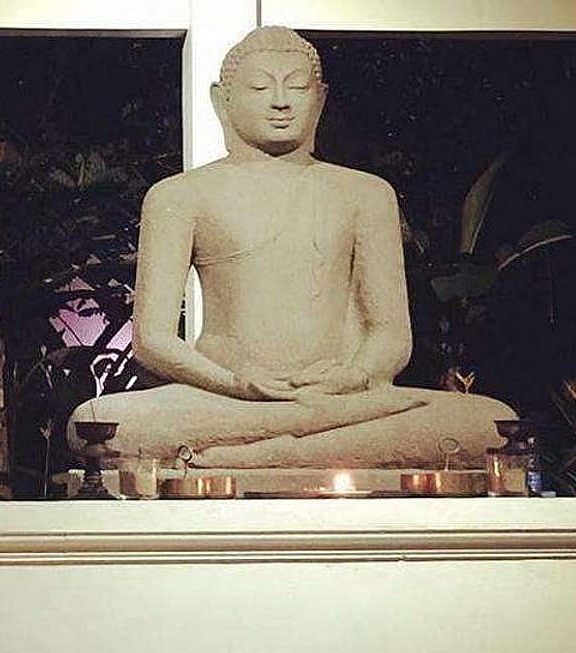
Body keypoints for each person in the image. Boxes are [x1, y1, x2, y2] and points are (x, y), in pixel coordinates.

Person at [68, 26, 514, 469]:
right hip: (224, 400)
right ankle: (299, 449)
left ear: (319, 99)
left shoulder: (365, 193)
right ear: (222, 100)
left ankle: (253, 456)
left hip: (341, 400)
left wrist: (348, 378)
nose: (280, 100)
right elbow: (153, 340)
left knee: (492, 422)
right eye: (260, 87)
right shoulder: (179, 197)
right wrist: (236, 384)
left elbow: (391, 337)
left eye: (296, 87)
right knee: (99, 423)